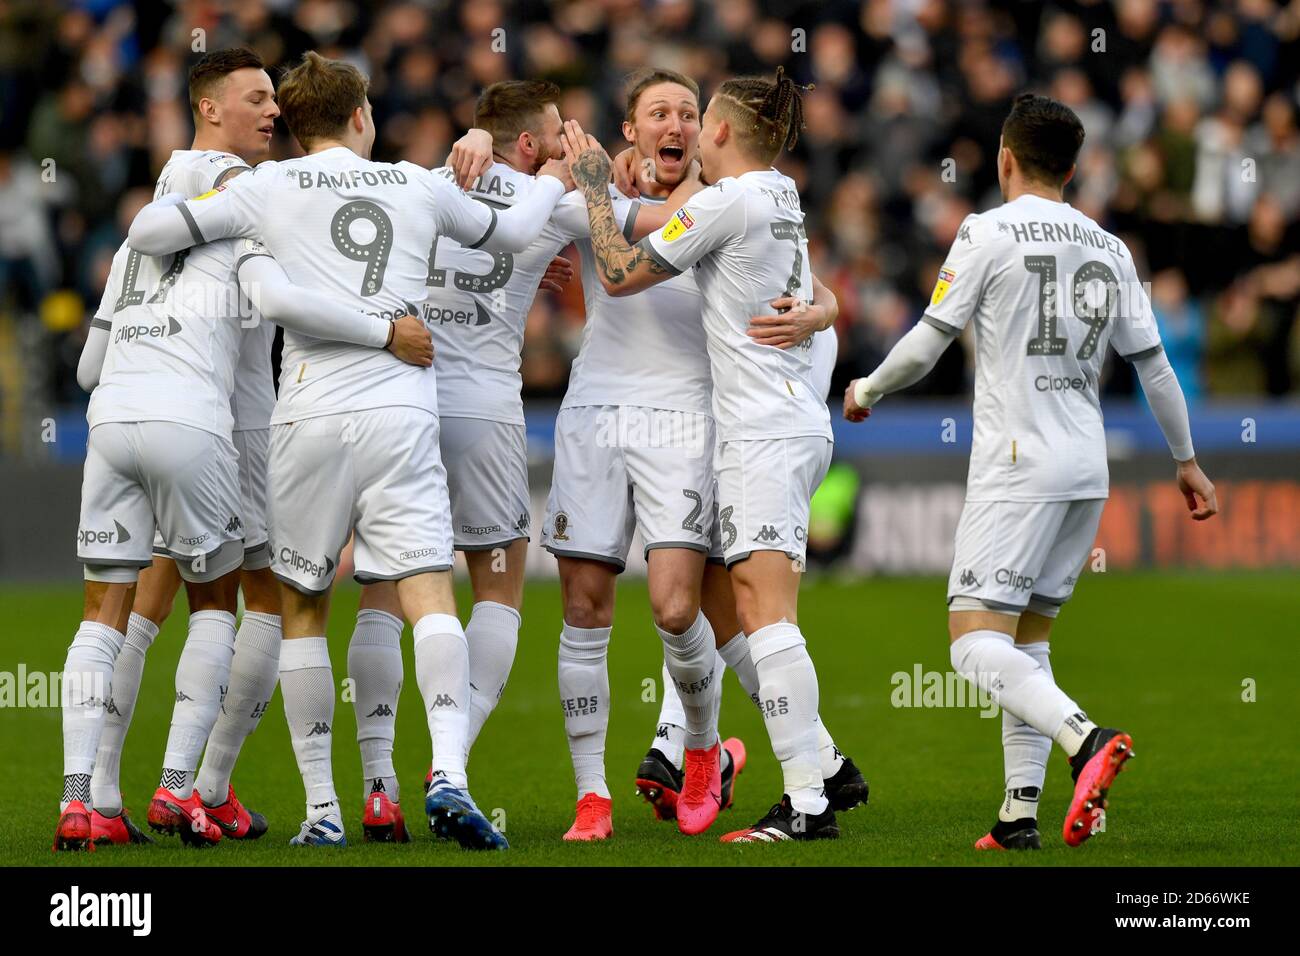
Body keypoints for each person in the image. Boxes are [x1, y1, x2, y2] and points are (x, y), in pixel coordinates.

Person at [127, 51, 572, 849]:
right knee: (427, 593)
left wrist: (213, 197)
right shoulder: (413, 182)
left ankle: (324, 811)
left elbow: (151, 230)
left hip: (307, 414)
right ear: (362, 115)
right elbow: (510, 230)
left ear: (294, 127)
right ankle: (446, 774)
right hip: (400, 410)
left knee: (302, 609)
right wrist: (553, 175)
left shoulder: (264, 185)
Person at [843, 93, 1218, 849]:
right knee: (1027, 643)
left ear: (1007, 158)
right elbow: (1157, 370)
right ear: (1074, 170)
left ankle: (1086, 739)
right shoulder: (1111, 247)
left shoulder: (984, 231)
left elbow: (928, 341)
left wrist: (866, 388)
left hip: (1017, 463)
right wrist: (1187, 462)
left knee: (970, 643)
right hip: (1086, 466)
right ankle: (1018, 816)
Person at [561, 68, 846, 843]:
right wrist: (822, 309)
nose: (681, 126)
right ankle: (820, 767)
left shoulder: (726, 201)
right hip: (781, 423)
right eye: (660, 113)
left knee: (758, 618)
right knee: (745, 615)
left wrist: (595, 188)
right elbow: (828, 297)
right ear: (634, 128)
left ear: (715, 132)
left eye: (694, 113)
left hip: (748, 428)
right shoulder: (778, 194)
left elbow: (618, 271)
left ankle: (806, 801)